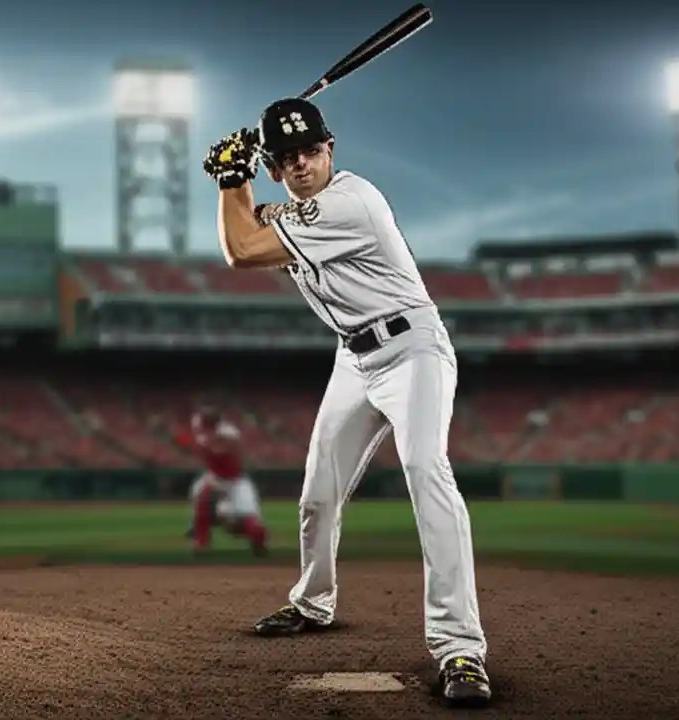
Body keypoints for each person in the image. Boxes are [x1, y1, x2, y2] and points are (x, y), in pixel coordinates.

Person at [200, 98, 491, 707]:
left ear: (331, 151)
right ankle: (313, 602)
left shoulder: (351, 202)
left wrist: (234, 179)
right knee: (317, 491)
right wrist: (243, 185)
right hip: (354, 358)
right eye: (288, 157)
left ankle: (459, 645)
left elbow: (242, 251)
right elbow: (252, 229)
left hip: (412, 349)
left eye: (312, 151)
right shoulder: (301, 206)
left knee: (424, 469)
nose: (302, 163)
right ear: (278, 166)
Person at [174, 407, 268, 556]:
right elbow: (186, 443)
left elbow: (224, 449)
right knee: (201, 497)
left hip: (236, 482)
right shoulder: (203, 436)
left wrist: (204, 444)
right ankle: (201, 540)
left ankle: (258, 542)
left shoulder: (227, 433)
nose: (197, 426)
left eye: (200, 423)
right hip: (216, 478)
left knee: (242, 523)